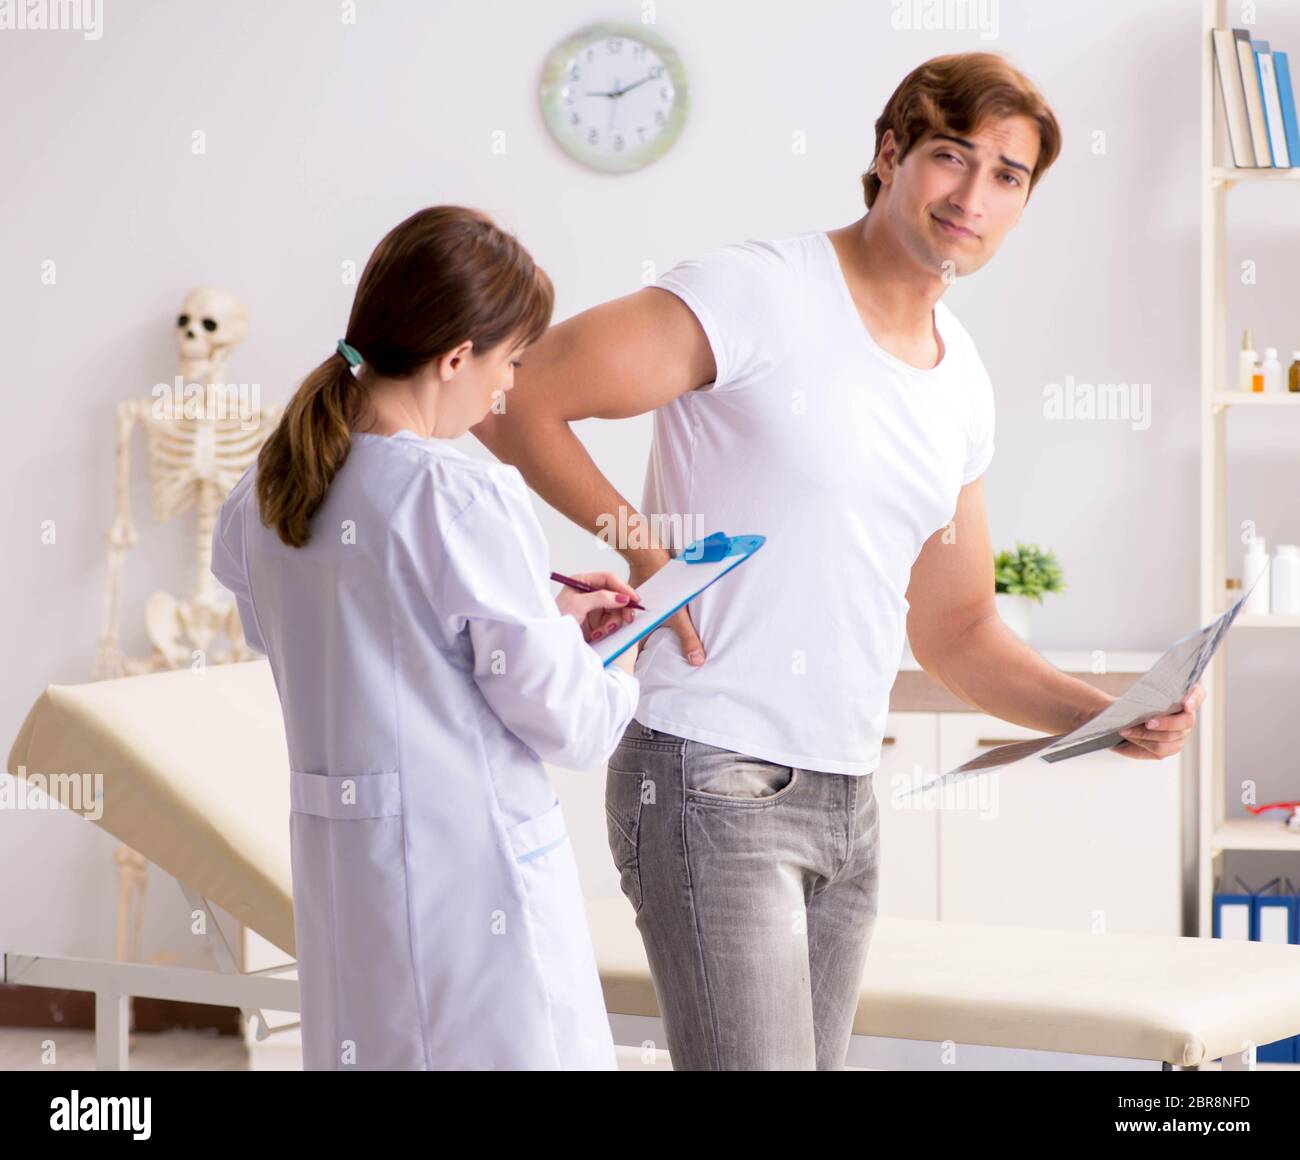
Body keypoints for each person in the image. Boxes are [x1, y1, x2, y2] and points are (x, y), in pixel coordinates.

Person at [472, 53, 1206, 1069]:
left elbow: (955, 628)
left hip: (847, 797)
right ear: (889, 153)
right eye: (953, 157)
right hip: (710, 771)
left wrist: (1107, 713)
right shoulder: (755, 291)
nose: (973, 195)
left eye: (1008, 176)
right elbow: (516, 397)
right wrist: (644, 548)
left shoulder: (961, 383)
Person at [211, 204, 641, 1070]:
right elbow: (572, 724)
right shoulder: (459, 493)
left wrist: (541, 625)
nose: (509, 389)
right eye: (511, 361)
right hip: (470, 875)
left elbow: (334, 643)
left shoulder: (263, 488)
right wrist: (617, 650)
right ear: (455, 358)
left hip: (353, 872)